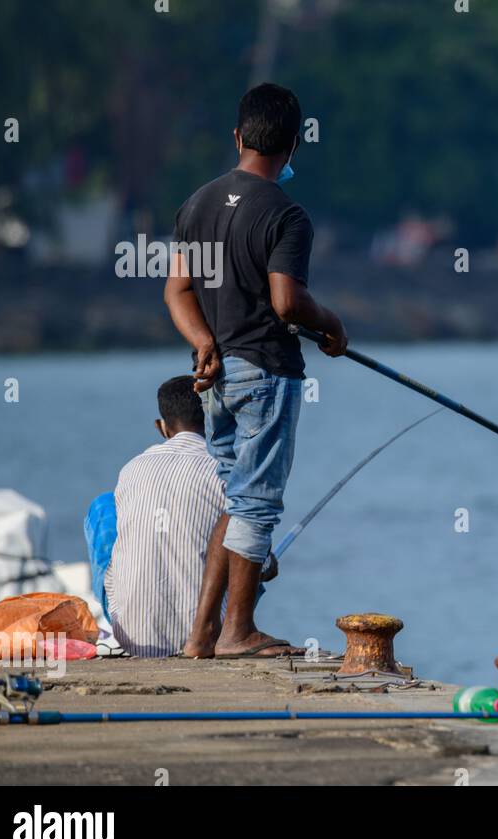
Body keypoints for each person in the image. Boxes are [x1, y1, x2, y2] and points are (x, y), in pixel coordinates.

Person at [163, 82, 346, 658]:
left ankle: (201, 637)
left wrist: (203, 344)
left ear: (238, 137)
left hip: (213, 376)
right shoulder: (286, 214)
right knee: (256, 503)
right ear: (293, 146)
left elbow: (178, 291)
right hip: (266, 370)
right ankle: (239, 631)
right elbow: (288, 301)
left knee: (235, 500)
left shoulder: (196, 204)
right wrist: (332, 325)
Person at [102, 377, 228, 657]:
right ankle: (233, 634)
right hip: (205, 634)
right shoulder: (224, 471)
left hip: (132, 636)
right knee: (250, 557)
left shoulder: (131, 469)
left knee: (102, 510)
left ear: (162, 428)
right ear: (215, 419)